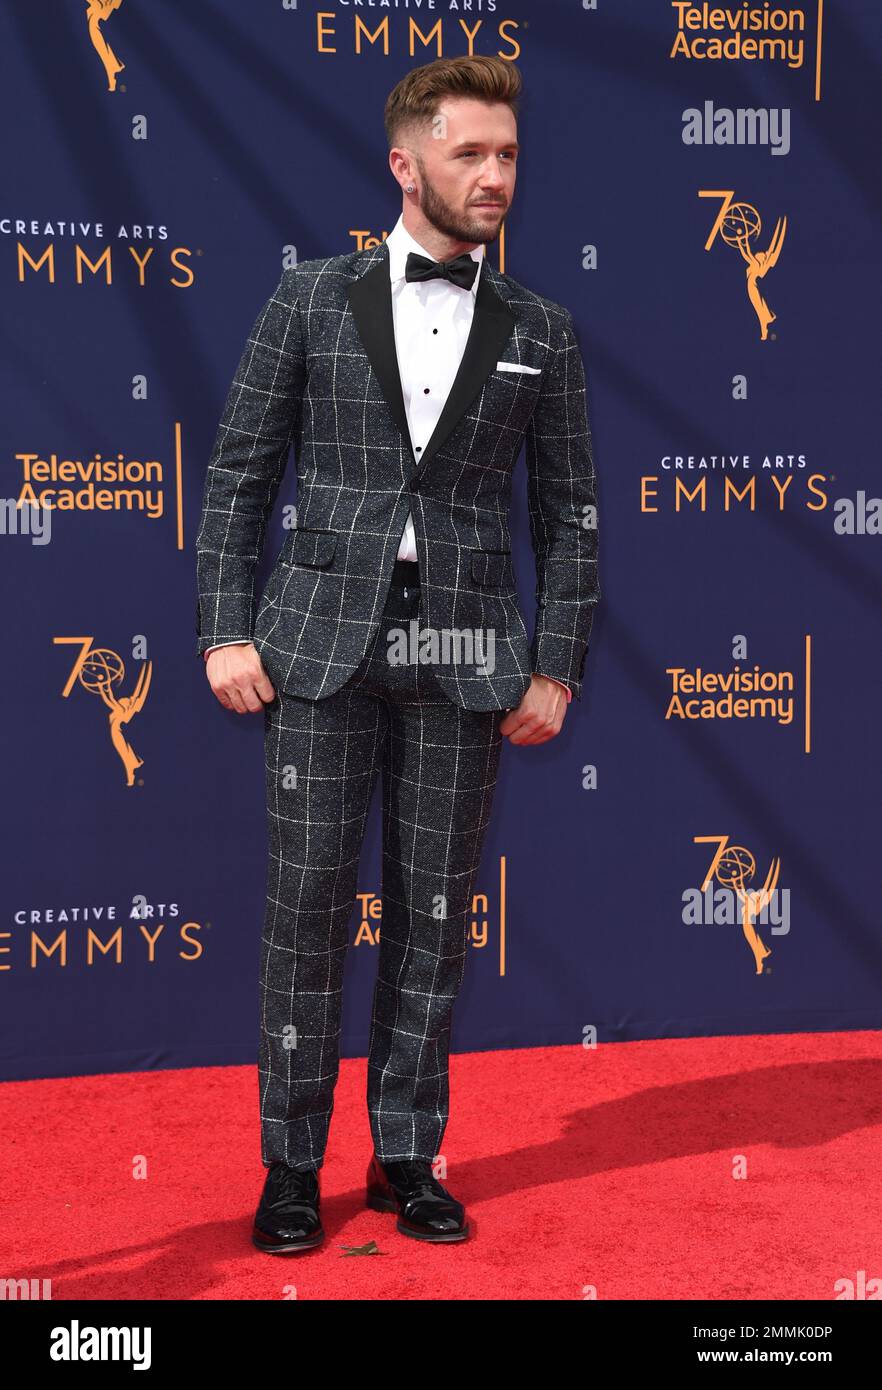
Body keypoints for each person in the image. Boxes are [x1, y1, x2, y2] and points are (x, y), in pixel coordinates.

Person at [195, 54, 600, 1254]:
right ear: (405, 161)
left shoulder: (544, 328)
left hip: (467, 648)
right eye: (470, 153)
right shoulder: (311, 298)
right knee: (308, 909)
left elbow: (571, 513)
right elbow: (237, 474)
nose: (495, 176)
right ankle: (288, 1165)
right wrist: (225, 624)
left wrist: (558, 662)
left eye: (509, 154)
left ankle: (408, 1155)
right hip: (319, 641)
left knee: (435, 912)